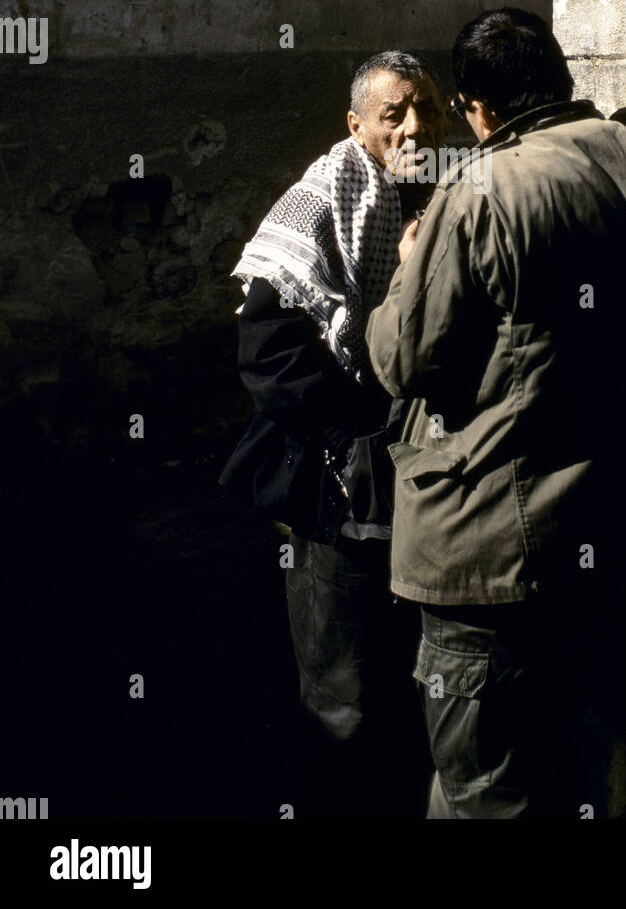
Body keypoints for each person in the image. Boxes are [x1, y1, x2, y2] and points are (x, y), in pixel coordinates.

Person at [366, 0, 626, 819]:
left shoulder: (478, 191)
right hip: (613, 539)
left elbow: (402, 361)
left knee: (483, 791)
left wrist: (404, 272)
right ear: (560, 78)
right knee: (582, 776)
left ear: (474, 109)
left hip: (491, 560)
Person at [221, 49, 445, 818]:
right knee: (340, 684)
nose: (414, 128)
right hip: (340, 481)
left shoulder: (447, 188)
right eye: (394, 115)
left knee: (420, 672)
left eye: (427, 110)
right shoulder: (318, 203)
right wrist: (369, 418)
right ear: (356, 125)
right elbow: (269, 356)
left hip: (426, 482)